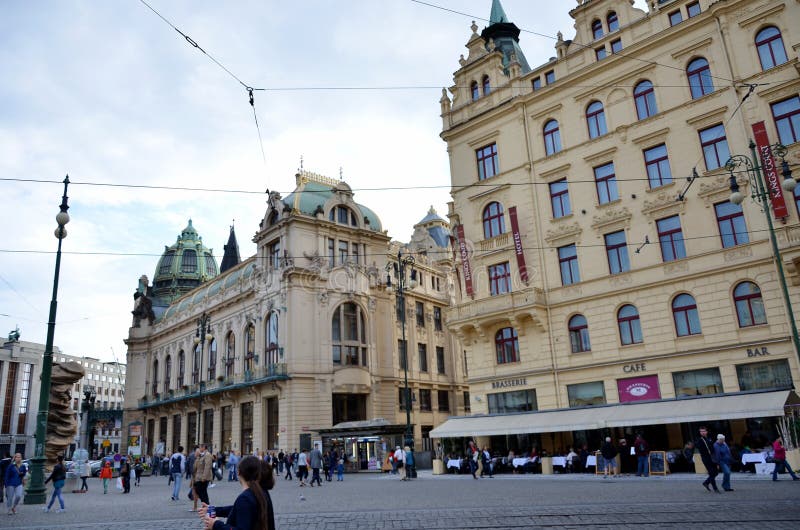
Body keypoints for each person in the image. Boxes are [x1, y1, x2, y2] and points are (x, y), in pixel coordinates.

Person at [198, 455, 274, 530]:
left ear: (238, 472)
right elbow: (239, 510)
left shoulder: (245, 498)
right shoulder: (261, 492)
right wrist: (214, 510)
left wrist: (216, 524)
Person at [695, 426, 720, 493]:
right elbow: (697, 445)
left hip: (712, 457)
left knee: (716, 472)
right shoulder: (700, 440)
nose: (702, 432)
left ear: (706, 431)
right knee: (712, 473)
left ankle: (706, 482)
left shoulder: (709, 438)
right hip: (706, 458)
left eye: (704, 431)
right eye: (701, 431)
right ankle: (715, 488)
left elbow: (712, 447)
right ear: (700, 432)